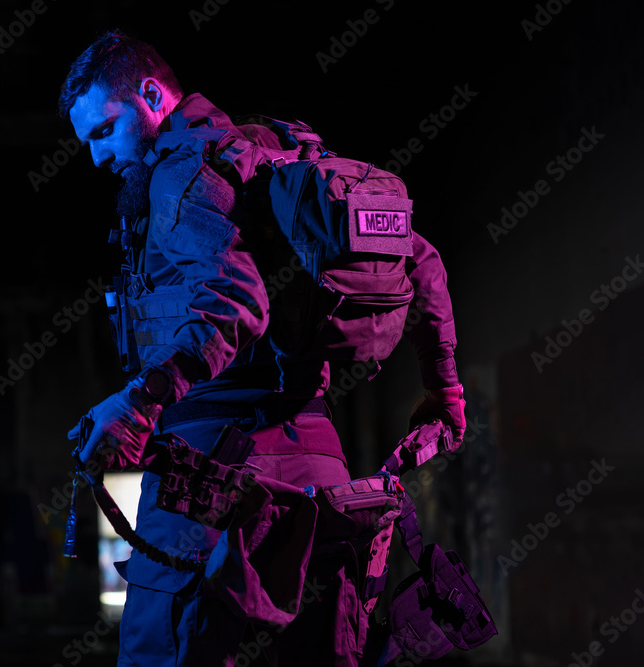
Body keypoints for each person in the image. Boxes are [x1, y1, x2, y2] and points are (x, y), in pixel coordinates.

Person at [59, 29, 466, 667]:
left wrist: (140, 401)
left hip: (215, 479)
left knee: (162, 652)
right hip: (323, 480)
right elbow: (423, 259)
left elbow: (237, 300)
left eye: (104, 130)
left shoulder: (182, 172)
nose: (96, 157)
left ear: (150, 95)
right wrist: (446, 392)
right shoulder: (277, 154)